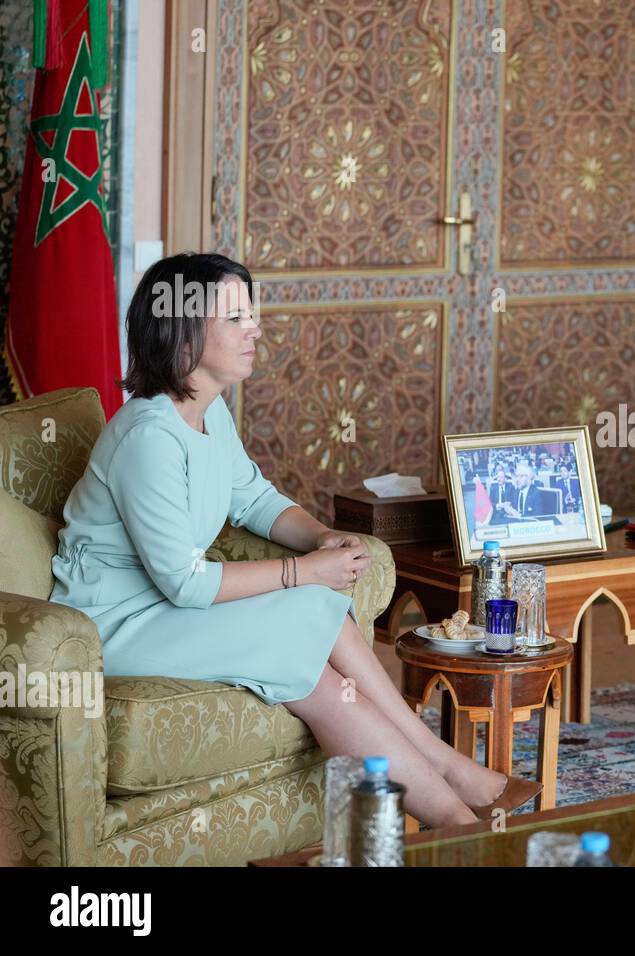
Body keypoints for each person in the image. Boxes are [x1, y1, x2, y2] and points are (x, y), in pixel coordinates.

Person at [48, 252, 541, 827]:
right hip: (110, 625)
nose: (254, 328)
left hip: (162, 609)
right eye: (234, 318)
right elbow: (184, 582)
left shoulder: (209, 412)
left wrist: (324, 536)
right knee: (310, 635)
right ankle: (456, 813)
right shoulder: (148, 437)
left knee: (316, 615)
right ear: (182, 335)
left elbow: (254, 499)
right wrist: (304, 570)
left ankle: (450, 788)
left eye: (250, 314)